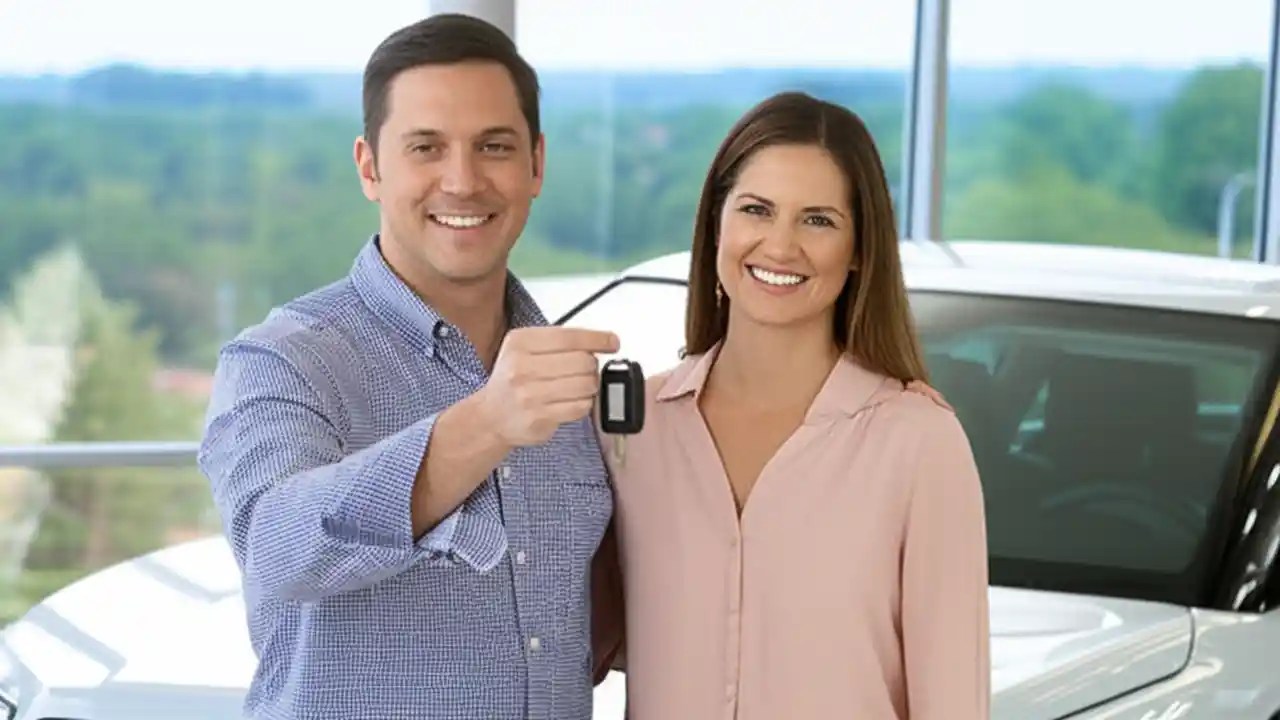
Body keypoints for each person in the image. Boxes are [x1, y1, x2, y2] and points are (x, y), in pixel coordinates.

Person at [198, 14, 620, 720]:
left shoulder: (564, 378)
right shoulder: (282, 360)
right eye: (427, 147)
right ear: (370, 166)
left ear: (537, 165)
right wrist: (486, 423)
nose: (463, 180)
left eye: (495, 146)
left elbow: (598, 624)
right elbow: (276, 548)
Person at [595, 92, 990, 718]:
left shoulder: (919, 444)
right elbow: (569, 643)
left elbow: (953, 702)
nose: (780, 246)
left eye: (818, 220)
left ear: (860, 249)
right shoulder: (629, 428)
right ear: (717, 225)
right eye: (756, 210)